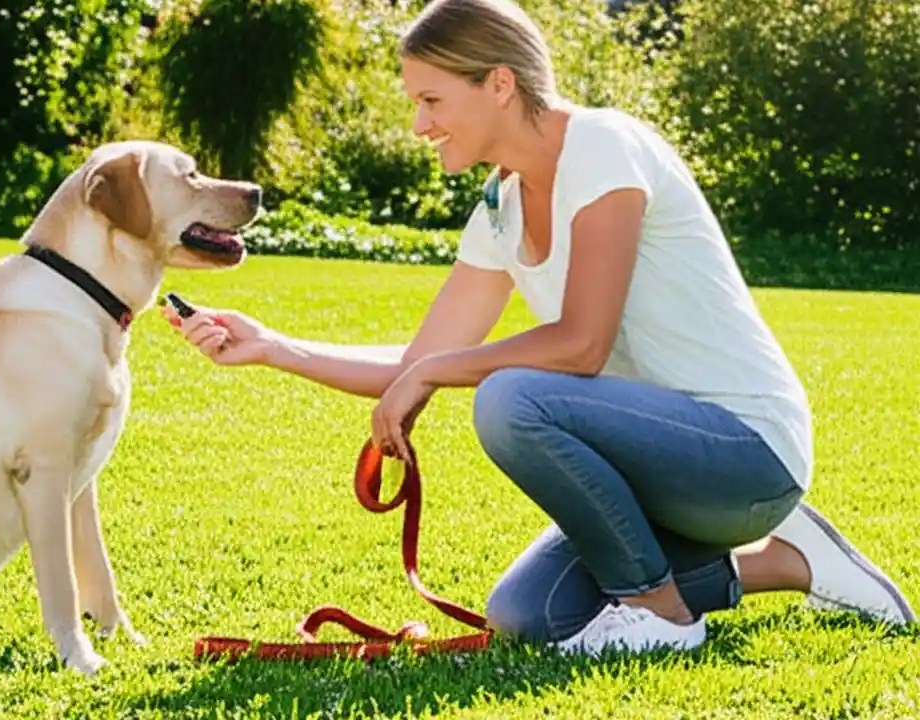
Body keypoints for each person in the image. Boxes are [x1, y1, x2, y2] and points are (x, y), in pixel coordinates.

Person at [159, 0, 915, 655]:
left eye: (432, 100)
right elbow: (425, 359)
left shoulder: (602, 146)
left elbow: (581, 343)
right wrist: (273, 349)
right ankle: (790, 561)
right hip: (658, 467)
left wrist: (430, 375)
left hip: (746, 452)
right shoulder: (502, 205)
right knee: (526, 614)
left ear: (498, 83)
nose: (420, 125)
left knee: (513, 397)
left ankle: (658, 610)